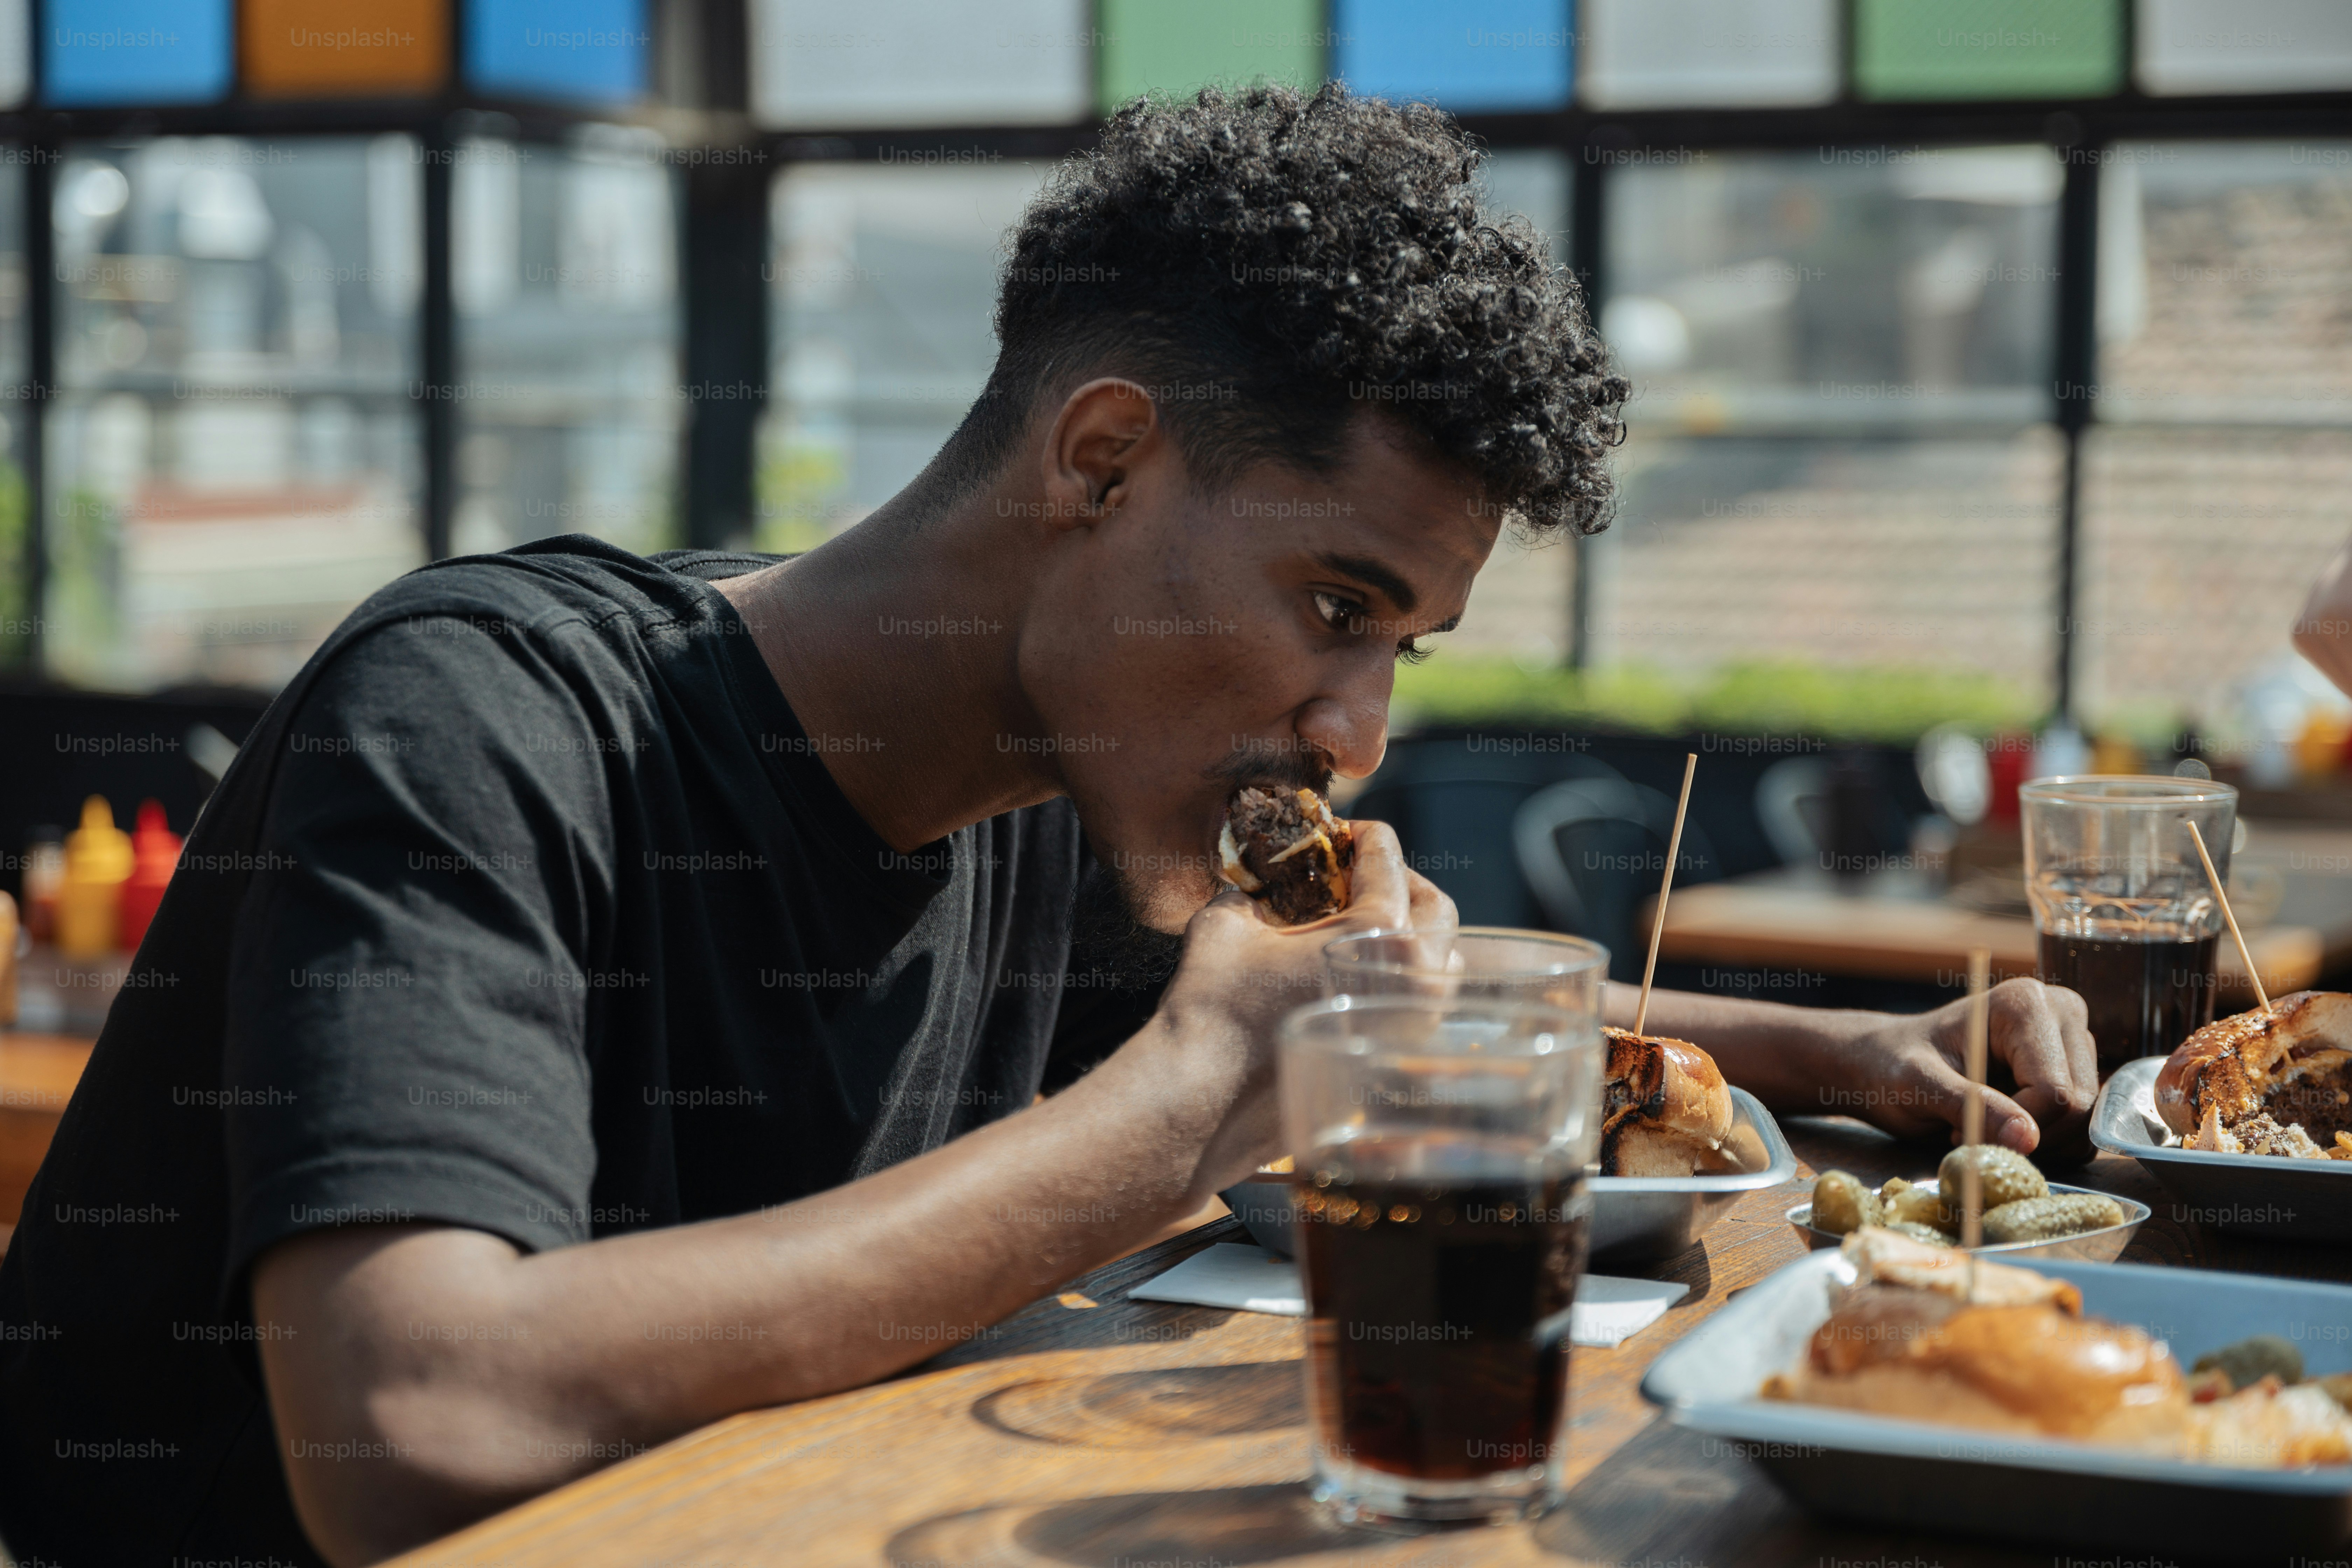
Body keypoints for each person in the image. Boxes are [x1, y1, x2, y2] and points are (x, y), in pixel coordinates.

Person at [0, 84, 2095, 1567]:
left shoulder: (1064, 801)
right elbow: (416, 1424)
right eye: (1337, 609)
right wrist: (1197, 1092)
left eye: (1406, 656)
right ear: (1104, 458)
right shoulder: (483, 713)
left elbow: (1342, 1000)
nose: (1353, 731)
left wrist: (1839, 1056)